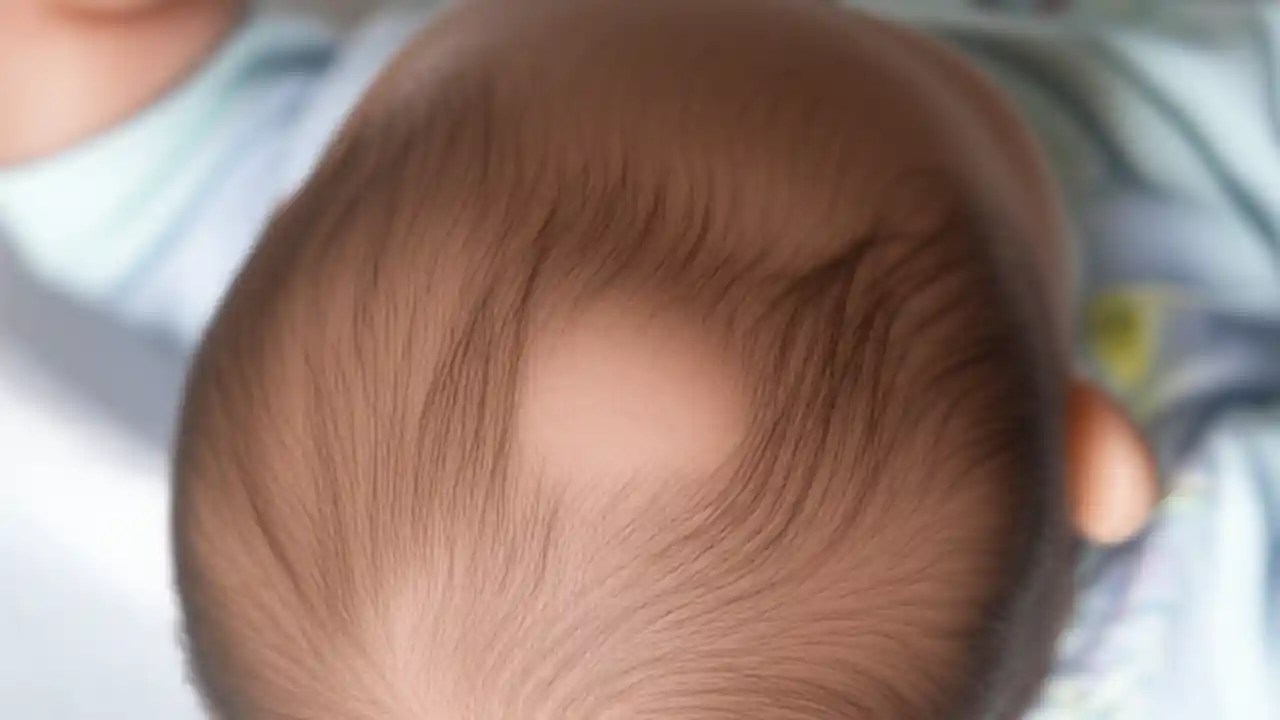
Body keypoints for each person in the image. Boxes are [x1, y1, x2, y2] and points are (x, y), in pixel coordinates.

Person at [0, 0, 1274, 717]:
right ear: (1089, 457)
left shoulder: (309, 249)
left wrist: (88, 38)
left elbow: (89, 124)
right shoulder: (1216, 613)